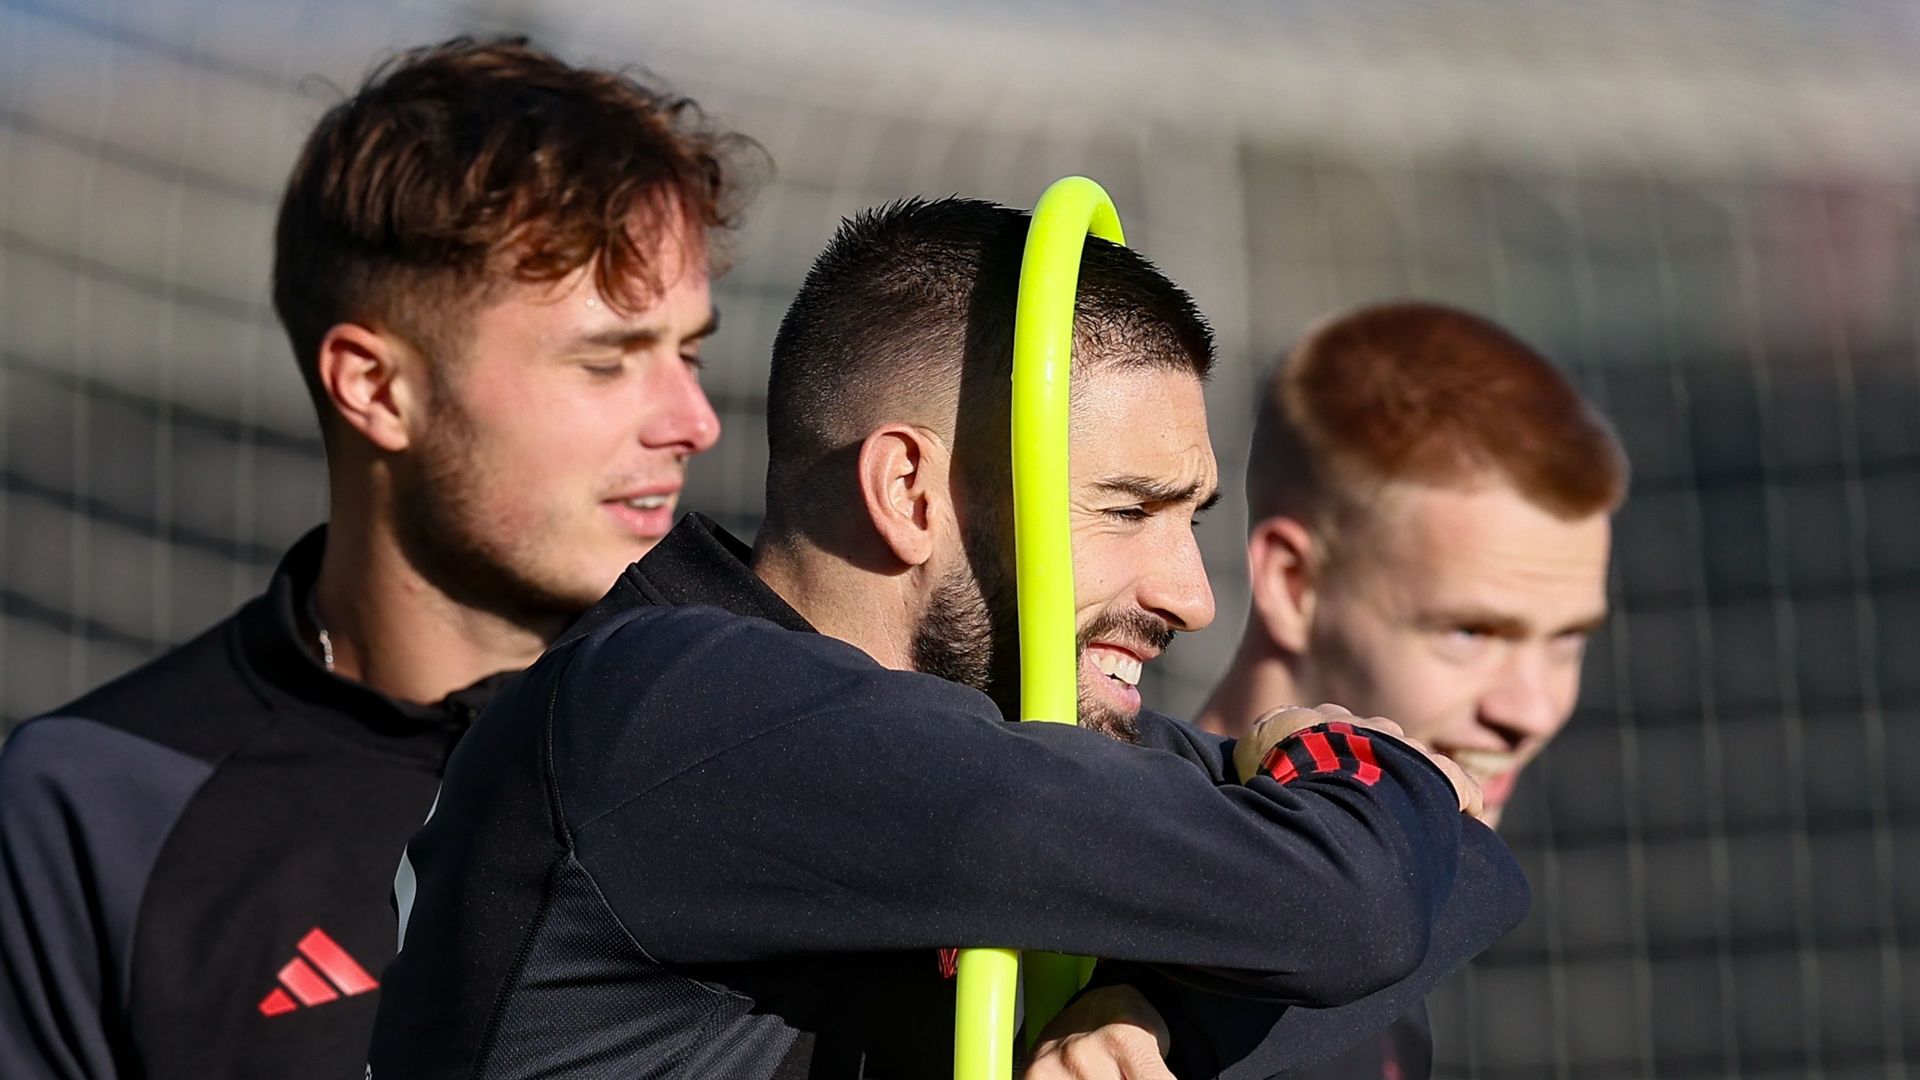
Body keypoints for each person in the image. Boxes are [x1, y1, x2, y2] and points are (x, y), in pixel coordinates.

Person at [368, 198, 1531, 1079]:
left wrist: (1154, 1013)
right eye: (1130, 509)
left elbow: (1463, 865)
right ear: (911, 493)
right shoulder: (685, 706)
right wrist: (1298, 754)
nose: (1192, 597)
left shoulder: (960, 729)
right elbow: (1356, 899)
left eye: (1193, 520)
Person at [0, 37, 752, 1079]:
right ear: (375, 388)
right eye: (606, 360)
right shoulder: (101, 800)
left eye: (691, 352)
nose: (693, 420)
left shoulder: (770, 732)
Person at [1195, 300, 1629, 1076]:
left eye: (1567, 640)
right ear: (1294, 585)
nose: (1531, 710)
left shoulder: (1380, 910)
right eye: (1470, 633)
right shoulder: (1113, 928)